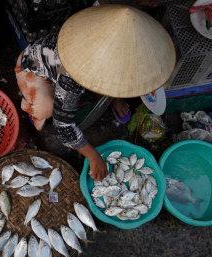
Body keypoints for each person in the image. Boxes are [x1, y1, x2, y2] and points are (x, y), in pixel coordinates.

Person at [15, 4, 175, 181]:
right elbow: (63, 127)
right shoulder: (72, 77)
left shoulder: (119, 21)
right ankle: (29, 103)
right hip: (31, 68)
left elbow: (121, 70)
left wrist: (116, 98)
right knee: (47, 109)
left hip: (58, 64)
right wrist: (93, 156)